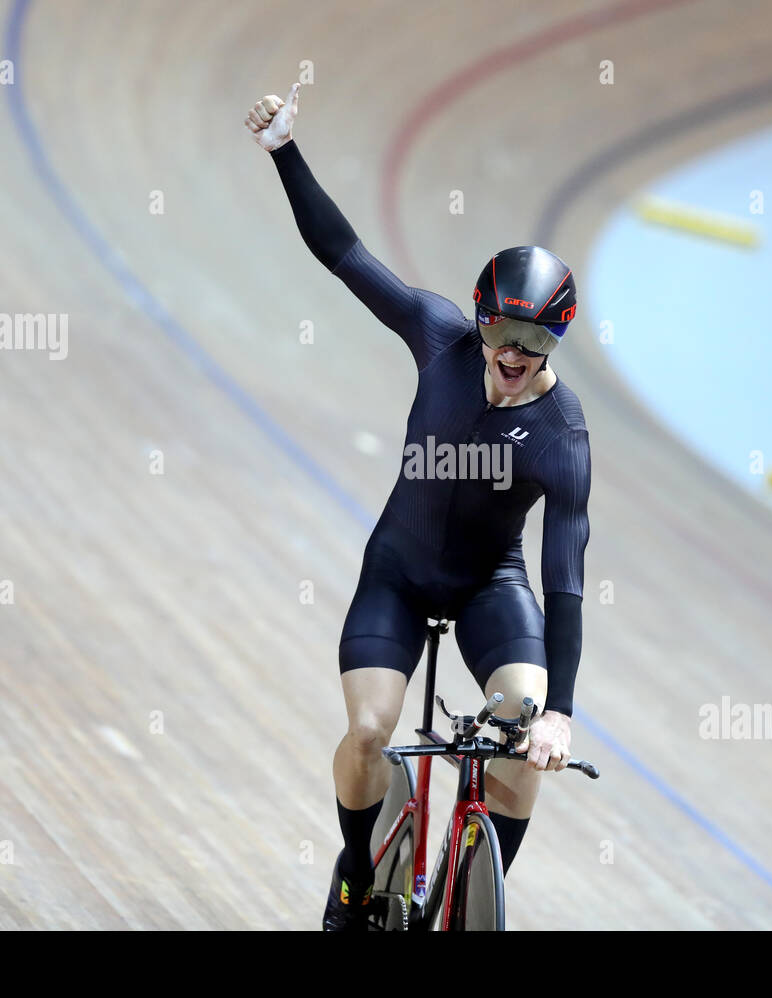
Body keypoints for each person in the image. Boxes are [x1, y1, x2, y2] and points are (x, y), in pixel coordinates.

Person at [247, 84, 591, 931]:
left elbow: (566, 582)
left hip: (489, 588)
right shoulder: (436, 334)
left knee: (520, 738)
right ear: (478, 322)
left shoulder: (562, 436)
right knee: (370, 732)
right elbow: (345, 253)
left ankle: (474, 889)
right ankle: (358, 876)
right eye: (505, 336)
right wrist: (286, 150)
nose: (517, 357)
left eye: (538, 343)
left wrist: (559, 715)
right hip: (398, 575)